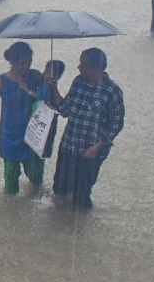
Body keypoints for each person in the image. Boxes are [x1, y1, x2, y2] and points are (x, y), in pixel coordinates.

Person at [50, 48, 125, 209]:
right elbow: (65, 110)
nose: (78, 67)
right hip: (69, 146)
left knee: (81, 198)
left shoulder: (112, 91)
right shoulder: (78, 82)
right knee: (59, 190)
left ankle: (79, 229)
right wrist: (54, 89)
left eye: (82, 64)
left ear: (94, 69)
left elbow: (116, 124)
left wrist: (96, 148)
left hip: (91, 153)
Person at [0, 41, 49, 194]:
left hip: (33, 134)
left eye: (29, 62)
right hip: (10, 133)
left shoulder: (35, 76)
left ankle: (35, 200)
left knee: (36, 174)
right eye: (22, 63)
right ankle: (11, 210)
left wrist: (49, 80)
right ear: (12, 62)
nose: (26, 66)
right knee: (11, 176)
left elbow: (46, 95)